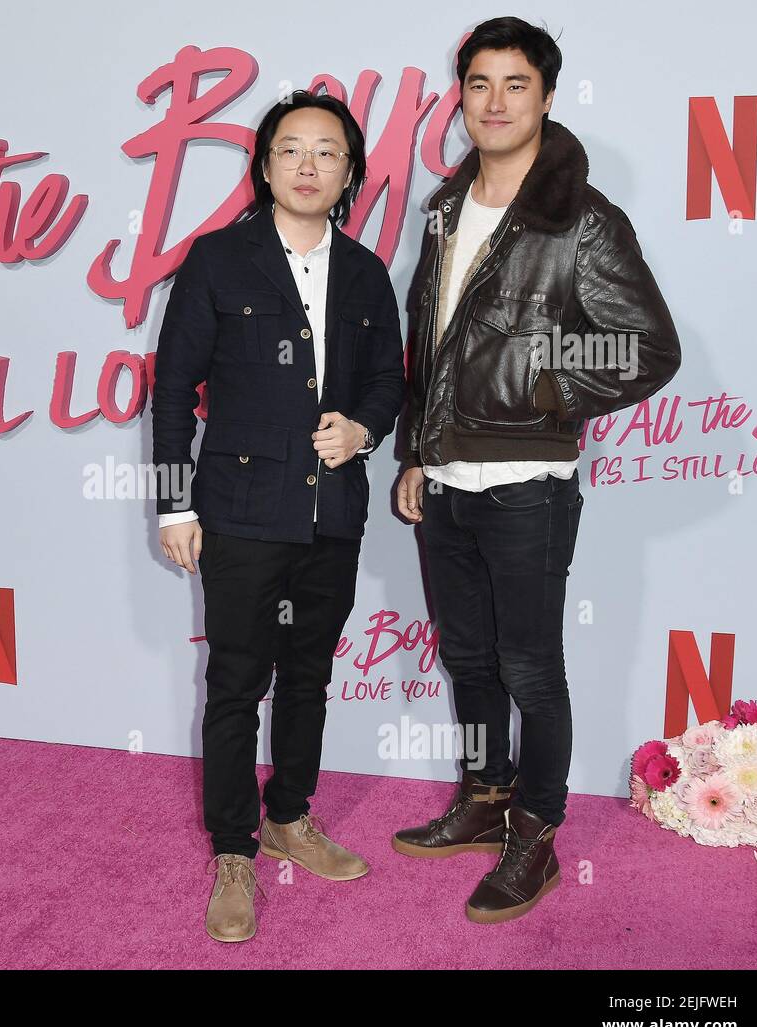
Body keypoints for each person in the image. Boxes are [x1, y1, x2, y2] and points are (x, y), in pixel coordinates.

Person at [393, 17, 681, 923]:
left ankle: (537, 833)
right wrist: (414, 451)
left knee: (529, 668)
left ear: (547, 97)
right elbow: (428, 346)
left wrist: (542, 380)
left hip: (528, 482)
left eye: (516, 85)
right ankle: (483, 798)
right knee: (468, 658)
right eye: (480, 84)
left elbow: (649, 349)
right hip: (446, 479)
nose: (495, 102)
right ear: (462, 96)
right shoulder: (444, 208)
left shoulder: (582, 218)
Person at [151, 90, 406, 942]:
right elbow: (172, 391)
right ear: (263, 167)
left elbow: (388, 381)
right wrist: (173, 504)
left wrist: (366, 428)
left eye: (326, 152)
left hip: (330, 512)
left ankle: (290, 815)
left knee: (308, 676)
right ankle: (235, 851)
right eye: (290, 149)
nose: (307, 165)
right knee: (234, 683)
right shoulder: (218, 260)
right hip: (238, 512)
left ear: (350, 173)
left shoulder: (367, 273)